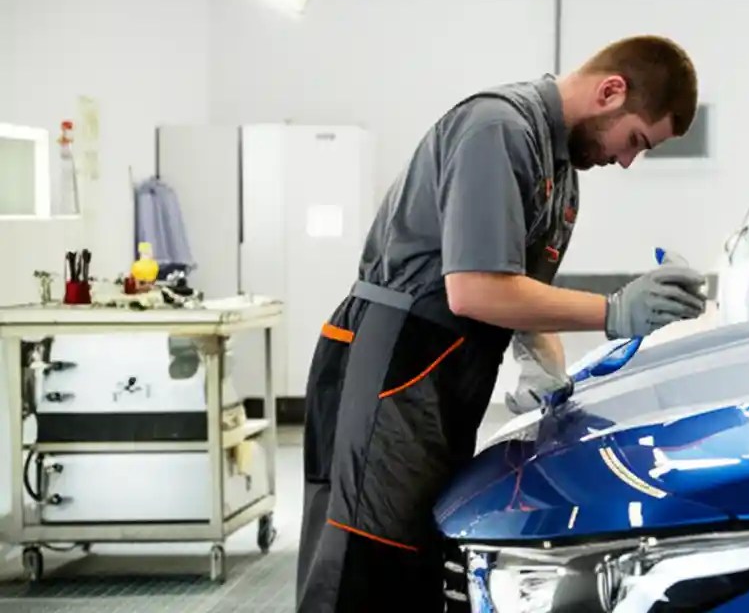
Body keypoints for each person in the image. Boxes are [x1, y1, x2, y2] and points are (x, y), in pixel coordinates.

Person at [295, 35, 707, 612]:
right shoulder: (498, 128)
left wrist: (547, 370)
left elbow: (523, 292)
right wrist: (613, 312)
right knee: (365, 565)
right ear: (610, 92)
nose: (627, 160)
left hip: (441, 375)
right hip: (390, 363)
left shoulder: (562, 172)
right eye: (636, 140)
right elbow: (475, 289)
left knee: (418, 557)